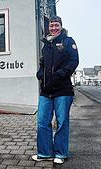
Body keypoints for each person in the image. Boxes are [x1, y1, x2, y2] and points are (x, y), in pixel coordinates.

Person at [32, 16, 79, 164]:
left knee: (61, 122)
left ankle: (60, 153)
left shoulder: (68, 41)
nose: (54, 28)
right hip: (46, 91)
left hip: (62, 90)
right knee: (42, 122)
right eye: (51, 25)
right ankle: (45, 153)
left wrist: (60, 74)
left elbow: (74, 61)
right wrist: (40, 74)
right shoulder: (46, 44)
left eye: (56, 25)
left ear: (61, 26)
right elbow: (42, 64)